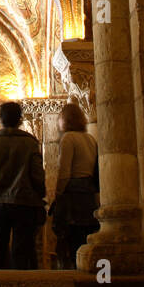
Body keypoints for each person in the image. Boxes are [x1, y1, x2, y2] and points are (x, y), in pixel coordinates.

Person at [0, 101, 46, 270]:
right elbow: (37, 174)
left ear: (0, 118)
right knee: (22, 251)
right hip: (25, 202)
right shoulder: (29, 143)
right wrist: (39, 194)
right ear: (20, 119)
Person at [50, 102, 100, 270]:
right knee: (87, 234)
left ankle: (74, 273)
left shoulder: (69, 138)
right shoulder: (90, 139)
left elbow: (64, 172)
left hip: (73, 194)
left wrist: (58, 194)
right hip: (89, 192)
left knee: (72, 237)